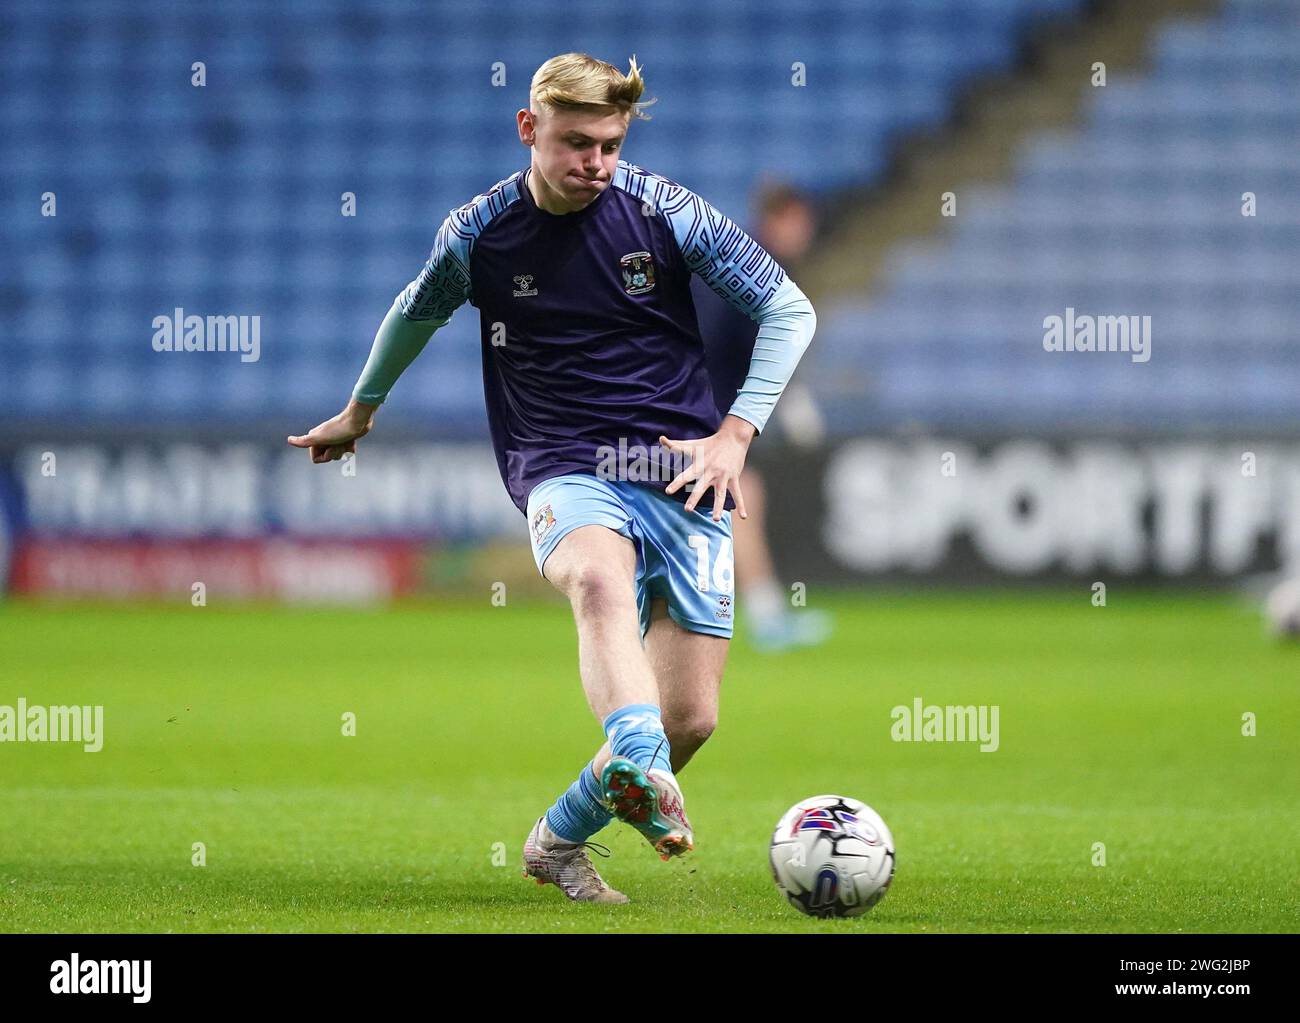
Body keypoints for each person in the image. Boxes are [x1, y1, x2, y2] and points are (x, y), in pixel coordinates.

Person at [288, 53, 816, 903]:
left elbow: (789, 307)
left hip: (680, 467)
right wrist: (361, 409)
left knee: (690, 719)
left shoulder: (667, 212)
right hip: (562, 460)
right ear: (529, 129)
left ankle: (557, 841)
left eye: (609, 145)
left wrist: (735, 432)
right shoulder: (479, 232)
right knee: (598, 580)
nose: (595, 165)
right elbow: (415, 309)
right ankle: (641, 765)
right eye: (576, 143)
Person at [692, 182, 834, 652]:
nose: (805, 230)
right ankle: (762, 617)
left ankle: (756, 613)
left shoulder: (746, 259)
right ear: (776, 220)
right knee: (741, 495)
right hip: (698, 400)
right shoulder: (750, 265)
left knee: (736, 498)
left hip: (706, 399)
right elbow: (718, 338)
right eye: (797, 219)